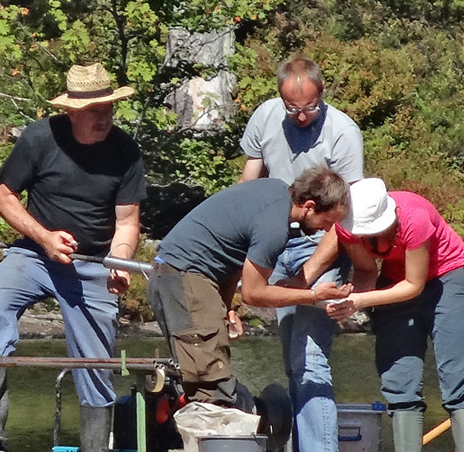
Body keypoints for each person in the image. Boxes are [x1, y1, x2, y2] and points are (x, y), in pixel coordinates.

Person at [0, 63, 146, 452]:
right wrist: (43, 236)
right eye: (94, 109)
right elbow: (1, 195)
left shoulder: (125, 151)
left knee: (96, 358)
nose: (103, 116)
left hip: (94, 263)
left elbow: (127, 222)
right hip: (35, 253)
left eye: (109, 106)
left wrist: (120, 262)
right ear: (71, 111)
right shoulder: (40, 137)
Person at [238, 54, 364, 452]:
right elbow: (249, 182)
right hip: (275, 241)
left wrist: (308, 276)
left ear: (321, 94)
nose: (300, 116)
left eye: (308, 107)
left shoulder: (343, 133)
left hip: (322, 245)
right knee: (292, 363)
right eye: (292, 108)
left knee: (310, 359)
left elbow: (347, 219)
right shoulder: (266, 117)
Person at [305, 178, 464, 452]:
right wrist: (348, 303)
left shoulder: (415, 219)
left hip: (447, 278)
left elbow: (414, 285)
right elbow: (365, 271)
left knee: (458, 378)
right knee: (399, 379)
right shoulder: (347, 229)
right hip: (395, 280)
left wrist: (360, 301)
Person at [148, 168, 353, 407]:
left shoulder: (273, 189)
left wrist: (224, 312)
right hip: (185, 280)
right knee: (211, 387)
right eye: (327, 221)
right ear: (308, 206)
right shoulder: (275, 227)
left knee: (199, 374)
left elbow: (232, 259)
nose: (326, 230)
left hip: (172, 276)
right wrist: (315, 295)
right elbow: (253, 294)